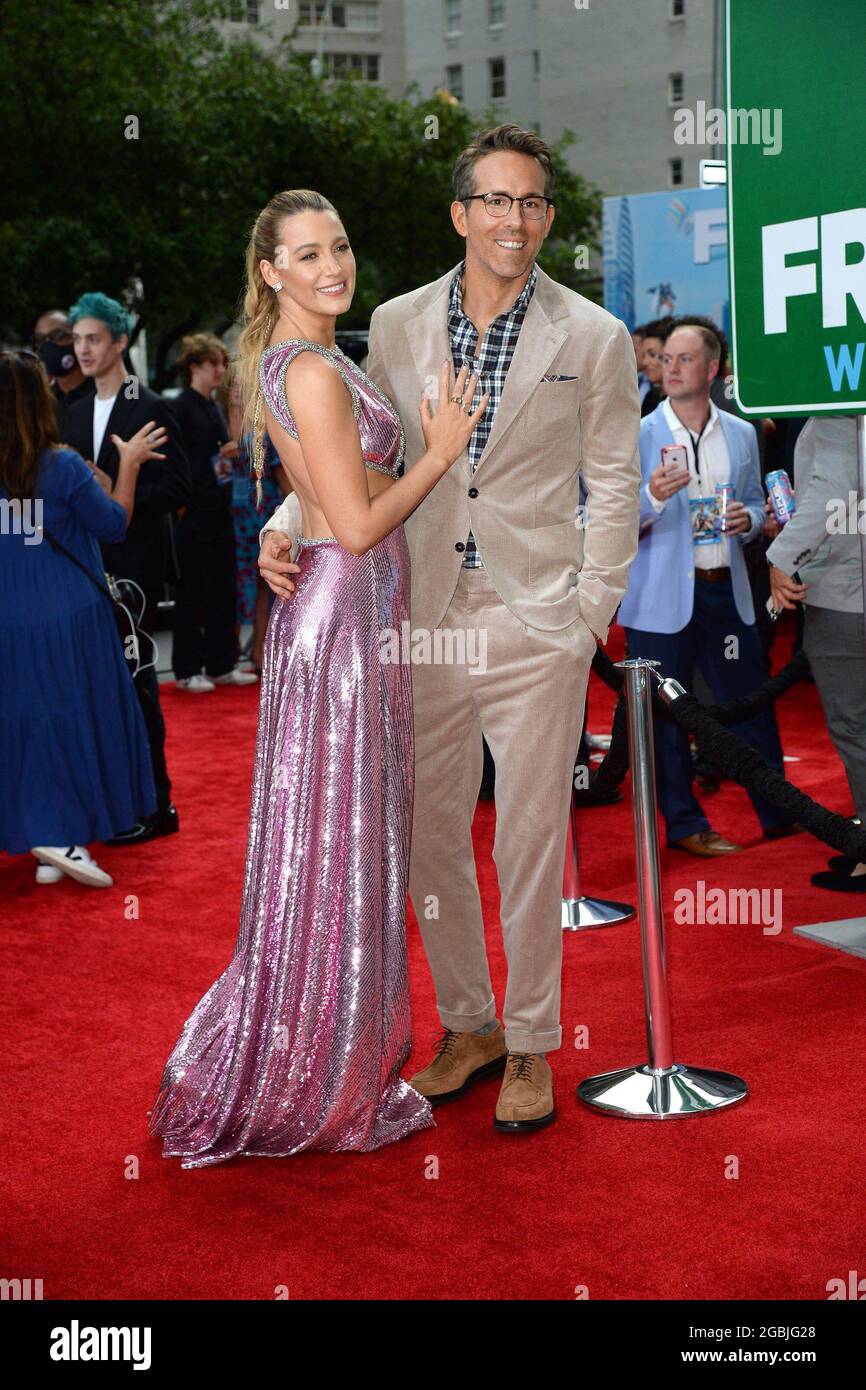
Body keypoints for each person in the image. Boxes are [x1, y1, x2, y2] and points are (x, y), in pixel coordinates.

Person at [260, 125, 641, 1134]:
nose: (515, 221)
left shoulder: (593, 336)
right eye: (496, 201)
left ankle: (529, 1042)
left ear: (545, 218)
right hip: (415, 615)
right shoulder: (391, 323)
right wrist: (277, 520)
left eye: (533, 204)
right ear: (460, 213)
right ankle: (466, 1026)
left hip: (534, 625)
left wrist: (583, 615)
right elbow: (351, 459)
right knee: (427, 841)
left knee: (526, 841)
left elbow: (613, 483)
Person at [147, 188, 486, 1166]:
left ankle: (327, 1054)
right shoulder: (310, 371)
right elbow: (358, 520)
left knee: (346, 844)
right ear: (270, 271)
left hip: (350, 616)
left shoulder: (313, 359)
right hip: (342, 624)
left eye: (337, 245)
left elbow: (329, 490)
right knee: (341, 844)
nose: (330, 264)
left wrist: (370, 485)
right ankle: (316, 1074)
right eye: (305, 253)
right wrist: (441, 454)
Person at [619, 323, 792, 855]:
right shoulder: (636, 434)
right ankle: (684, 825)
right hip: (658, 600)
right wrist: (649, 497)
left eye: (685, 358)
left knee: (752, 705)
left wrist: (750, 518)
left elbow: (760, 506)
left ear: (712, 369)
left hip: (725, 589)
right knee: (667, 718)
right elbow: (608, 518)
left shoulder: (741, 434)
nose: (670, 367)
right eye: (667, 358)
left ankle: (781, 815)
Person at [0, 350, 161, 887]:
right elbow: (114, 523)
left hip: (11, 622)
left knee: (28, 724)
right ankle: (58, 833)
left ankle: (52, 832)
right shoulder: (62, 466)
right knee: (74, 720)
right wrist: (129, 465)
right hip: (71, 619)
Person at [63, 292, 191, 846]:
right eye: (77, 340)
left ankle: (158, 804)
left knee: (138, 687)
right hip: (86, 568)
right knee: (100, 691)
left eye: (94, 339)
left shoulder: (150, 406)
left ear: (119, 342)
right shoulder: (68, 413)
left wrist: (119, 487)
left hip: (135, 570)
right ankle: (117, 802)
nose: (83, 349)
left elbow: (181, 488)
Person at [766, 415, 866, 893]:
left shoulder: (834, 408)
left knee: (855, 728)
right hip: (849, 586)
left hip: (848, 596)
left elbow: (833, 491)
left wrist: (781, 555)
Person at [170, 334, 256, 691]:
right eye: (213, 364)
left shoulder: (212, 407)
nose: (220, 370)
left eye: (222, 363)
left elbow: (213, 457)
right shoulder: (180, 408)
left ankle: (221, 663)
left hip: (220, 510)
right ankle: (188, 669)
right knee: (192, 592)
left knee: (223, 589)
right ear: (194, 366)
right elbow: (181, 461)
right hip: (194, 513)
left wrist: (226, 454)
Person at [219, 361, 290, 673]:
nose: (237, 391)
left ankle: (260, 653)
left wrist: (293, 507)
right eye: (233, 386)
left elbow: (278, 469)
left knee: (264, 584)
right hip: (227, 515)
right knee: (233, 584)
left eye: (243, 385)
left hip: (260, 511)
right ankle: (229, 653)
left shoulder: (263, 424)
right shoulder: (216, 422)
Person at [32, 310, 95, 433]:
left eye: (58, 336)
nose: (47, 346)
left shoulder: (103, 395)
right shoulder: (43, 401)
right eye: (40, 340)